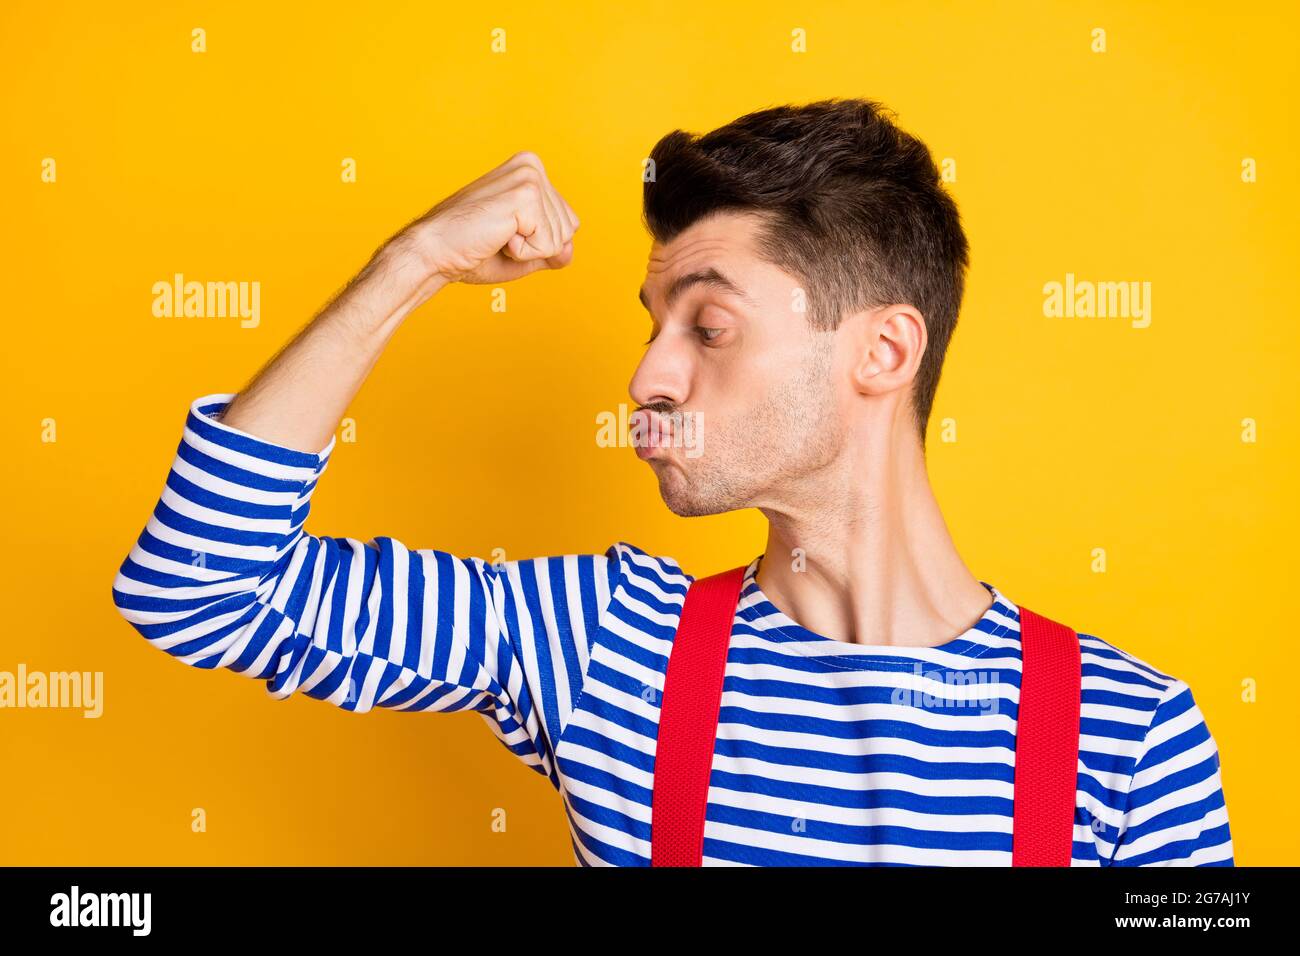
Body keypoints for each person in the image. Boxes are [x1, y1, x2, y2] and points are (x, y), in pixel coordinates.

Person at [111, 99, 1233, 866]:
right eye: (653, 325)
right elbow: (199, 588)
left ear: (883, 351)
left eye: (708, 325)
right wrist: (411, 265)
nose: (647, 377)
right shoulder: (605, 642)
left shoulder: (1130, 736)